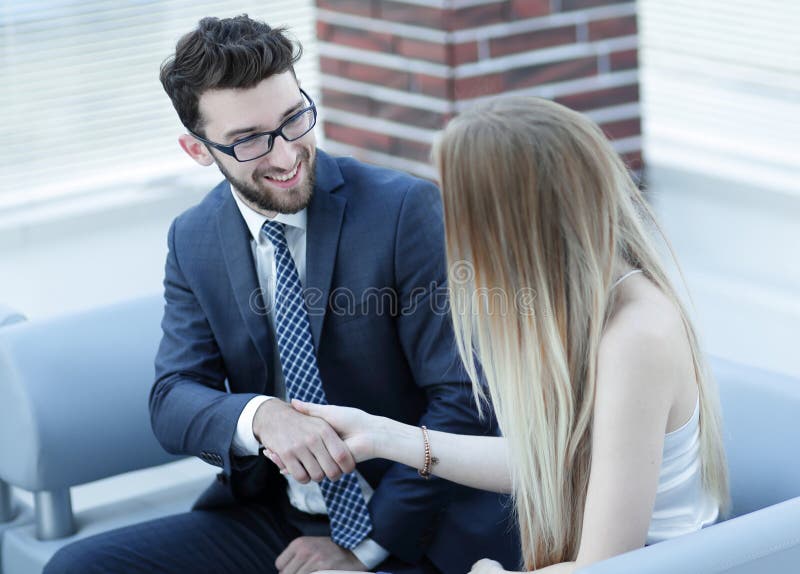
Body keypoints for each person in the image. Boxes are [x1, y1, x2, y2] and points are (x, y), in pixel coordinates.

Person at [43, 14, 518, 574]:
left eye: (294, 119)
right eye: (248, 141)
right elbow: (173, 398)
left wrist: (360, 549)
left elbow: (463, 403)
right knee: (77, 568)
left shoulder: (403, 211)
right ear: (199, 151)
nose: (287, 155)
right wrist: (259, 415)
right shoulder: (194, 238)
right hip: (274, 515)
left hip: (415, 527)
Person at [286, 96, 731, 573]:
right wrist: (382, 436)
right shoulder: (570, 307)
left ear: (510, 224)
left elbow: (607, 567)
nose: (449, 228)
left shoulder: (635, 338)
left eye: (456, 206)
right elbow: (546, 464)